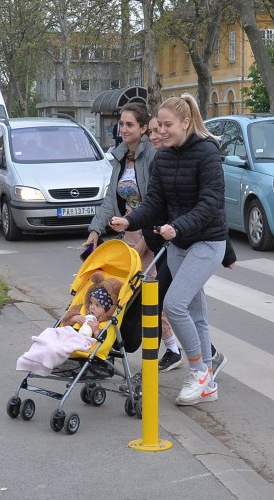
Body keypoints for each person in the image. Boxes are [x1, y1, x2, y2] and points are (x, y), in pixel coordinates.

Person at [110, 93, 228, 406]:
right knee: (195, 313)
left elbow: (211, 203)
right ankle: (208, 385)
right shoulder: (163, 158)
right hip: (178, 242)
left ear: (186, 123)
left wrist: (178, 226)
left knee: (174, 305)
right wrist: (129, 220)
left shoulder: (207, 153)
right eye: (158, 125)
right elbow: (154, 204)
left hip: (207, 241)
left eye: (167, 125)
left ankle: (199, 371)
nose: (160, 131)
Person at [82, 104, 183, 371]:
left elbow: (156, 204)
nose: (124, 129)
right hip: (128, 233)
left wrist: (145, 241)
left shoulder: (153, 156)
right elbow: (110, 199)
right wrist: (95, 230)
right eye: (121, 124)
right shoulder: (119, 157)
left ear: (142, 128)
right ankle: (108, 349)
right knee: (122, 294)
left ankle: (175, 349)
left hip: (151, 234)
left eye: (130, 125)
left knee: (151, 297)